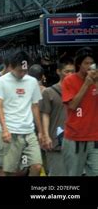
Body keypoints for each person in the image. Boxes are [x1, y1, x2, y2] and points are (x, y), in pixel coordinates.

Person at [0, 50, 44, 176]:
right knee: (11, 171)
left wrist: (41, 131)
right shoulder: (1, 81)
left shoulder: (32, 82)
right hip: (10, 131)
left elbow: (35, 106)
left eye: (25, 70)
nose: (22, 73)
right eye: (19, 70)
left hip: (29, 131)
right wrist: (4, 129)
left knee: (37, 166)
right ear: (11, 67)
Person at [62, 47, 98, 176]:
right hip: (74, 137)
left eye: (91, 63)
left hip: (95, 137)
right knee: (74, 174)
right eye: (86, 63)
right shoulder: (69, 80)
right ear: (79, 64)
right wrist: (86, 84)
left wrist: (96, 82)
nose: (89, 66)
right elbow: (72, 105)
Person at [40, 56, 75, 176]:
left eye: (72, 71)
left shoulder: (79, 91)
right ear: (59, 71)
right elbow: (45, 115)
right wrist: (46, 136)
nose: (70, 74)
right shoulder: (49, 92)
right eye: (67, 71)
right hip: (56, 143)